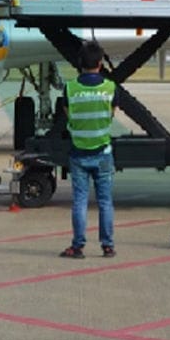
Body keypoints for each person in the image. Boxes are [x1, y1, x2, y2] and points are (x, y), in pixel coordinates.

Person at [59, 40, 117, 258]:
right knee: (105, 202)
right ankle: (108, 245)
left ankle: (78, 245)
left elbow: (68, 114)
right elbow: (111, 114)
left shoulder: (70, 89)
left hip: (78, 153)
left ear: (79, 62)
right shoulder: (110, 88)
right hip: (102, 152)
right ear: (100, 63)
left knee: (80, 201)